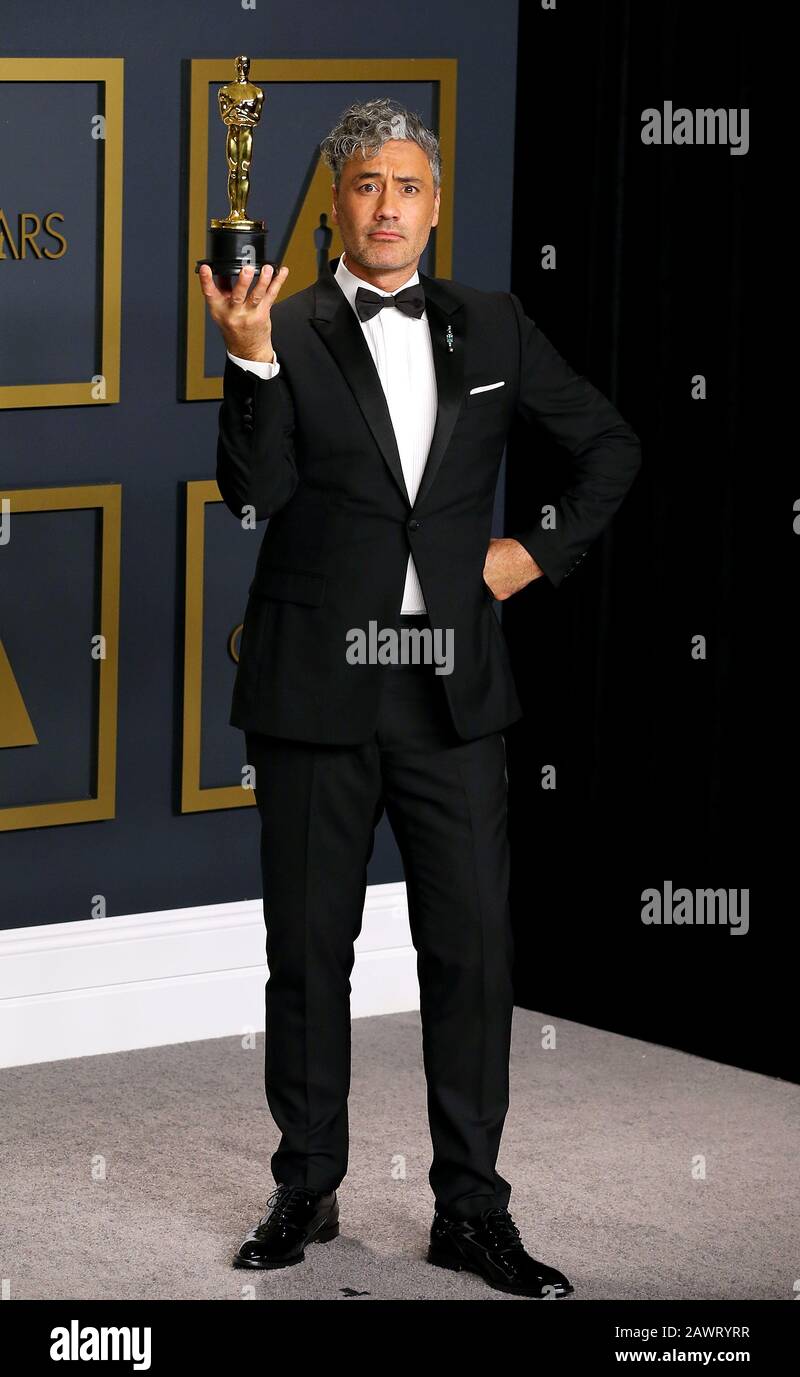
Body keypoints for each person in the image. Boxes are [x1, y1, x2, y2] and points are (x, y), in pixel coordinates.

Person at [198, 97, 641, 1298]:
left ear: (433, 204)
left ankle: (470, 1211)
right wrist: (243, 362)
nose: (384, 205)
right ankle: (306, 1185)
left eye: (404, 186)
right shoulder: (279, 324)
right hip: (312, 688)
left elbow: (608, 445)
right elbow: (255, 490)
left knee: (473, 952)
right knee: (308, 951)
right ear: (335, 206)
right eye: (362, 187)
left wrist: (529, 556)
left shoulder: (493, 326)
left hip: (450, 692)